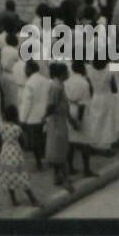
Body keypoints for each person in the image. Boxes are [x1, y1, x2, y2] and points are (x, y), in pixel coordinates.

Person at [0, 104, 37, 208]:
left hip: (5, 152)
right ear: (15, 116)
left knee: (9, 176)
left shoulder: (1, 126)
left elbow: (0, 137)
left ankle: (13, 200)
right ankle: (33, 200)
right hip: (15, 152)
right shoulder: (17, 128)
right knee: (21, 176)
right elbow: (24, 142)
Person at [43, 63, 74, 192]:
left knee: (57, 149)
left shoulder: (59, 85)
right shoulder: (56, 87)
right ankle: (65, 179)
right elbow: (51, 105)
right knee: (60, 149)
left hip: (59, 119)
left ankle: (57, 176)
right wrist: (44, 117)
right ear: (61, 73)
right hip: (57, 120)